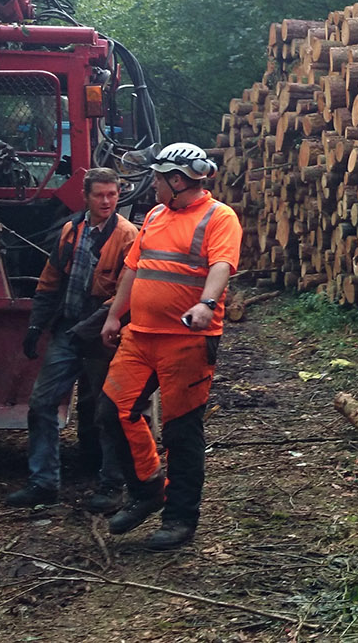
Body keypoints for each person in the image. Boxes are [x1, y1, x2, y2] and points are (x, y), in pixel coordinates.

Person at [100, 142, 240, 550]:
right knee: (113, 411)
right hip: (140, 336)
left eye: (159, 179)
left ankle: (180, 519)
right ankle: (148, 488)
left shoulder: (219, 216)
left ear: (177, 180)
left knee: (181, 431)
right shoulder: (155, 215)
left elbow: (222, 265)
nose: (154, 186)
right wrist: (114, 315)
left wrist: (206, 303)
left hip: (187, 342)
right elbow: (134, 269)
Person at [3, 167, 138, 508]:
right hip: (68, 329)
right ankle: (43, 483)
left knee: (108, 410)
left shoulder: (128, 235)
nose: (106, 201)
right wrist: (36, 325)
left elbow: (126, 293)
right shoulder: (70, 231)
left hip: (103, 333)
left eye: (112, 195)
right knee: (42, 403)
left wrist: (92, 327)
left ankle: (112, 485)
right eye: (99, 195)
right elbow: (50, 281)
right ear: (86, 197)